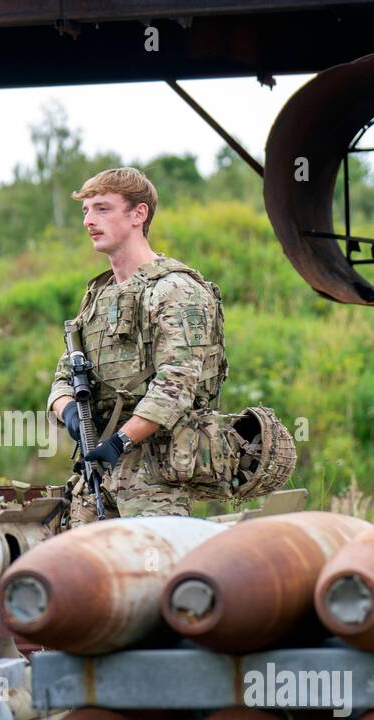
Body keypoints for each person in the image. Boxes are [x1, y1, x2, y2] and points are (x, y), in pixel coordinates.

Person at [47, 167, 227, 526]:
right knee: (81, 573)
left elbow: (176, 386)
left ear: (138, 214)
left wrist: (118, 443)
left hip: (155, 477)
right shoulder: (98, 295)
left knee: (151, 570)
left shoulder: (175, 289)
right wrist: (72, 418)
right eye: (85, 211)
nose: (89, 221)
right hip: (97, 474)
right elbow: (63, 377)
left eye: (102, 208)